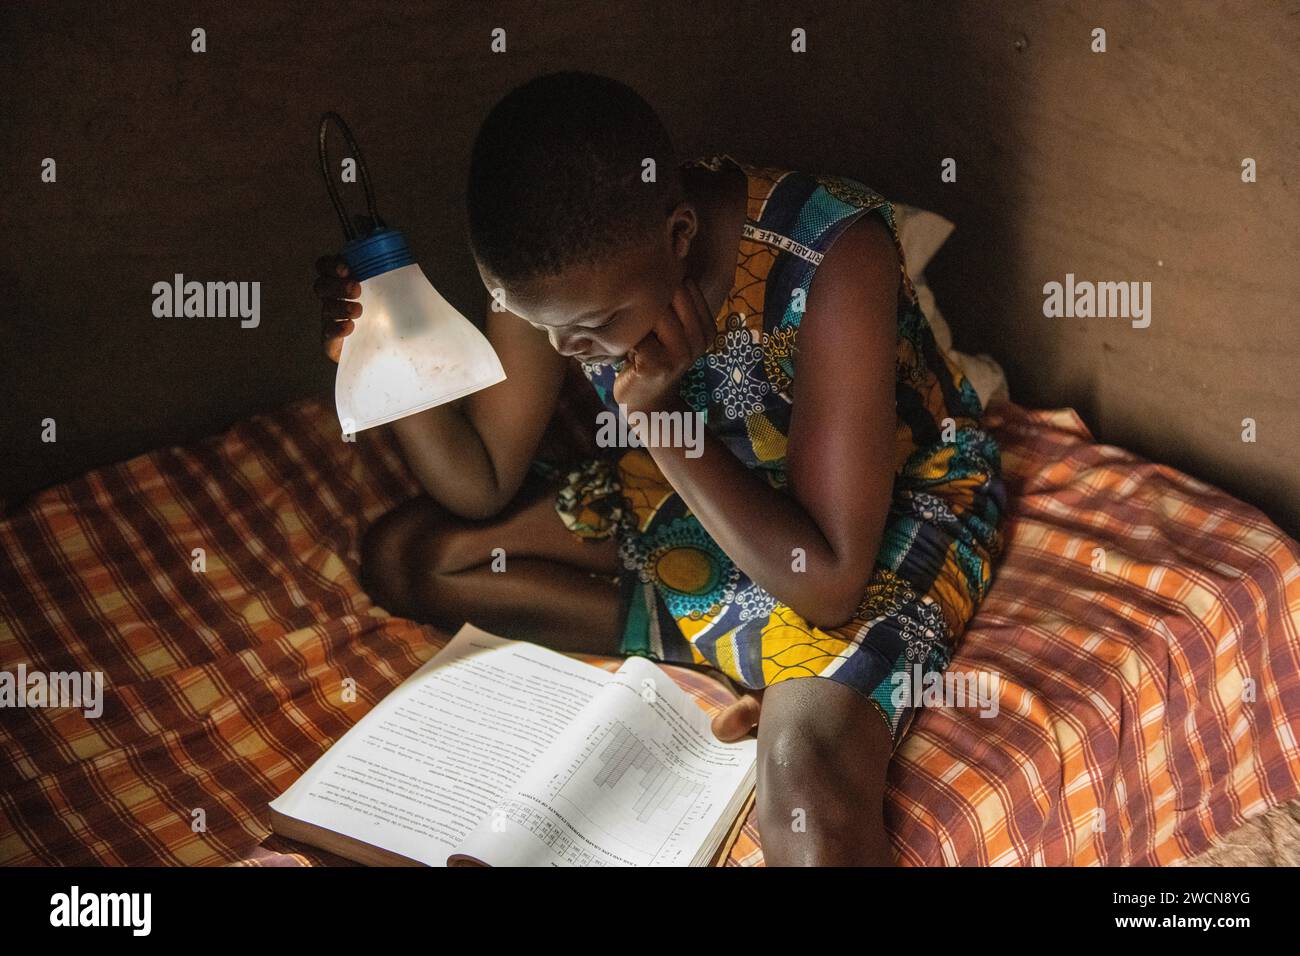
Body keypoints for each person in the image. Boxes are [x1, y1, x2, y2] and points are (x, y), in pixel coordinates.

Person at [313, 71, 1006, 865]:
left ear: (678, 237)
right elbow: (479, 482)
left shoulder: (833, 253)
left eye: (594, 326)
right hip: (695, 500)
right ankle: (746, 652)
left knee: (808, 803)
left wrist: (655, 418)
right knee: (412, 555)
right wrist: (382, 346)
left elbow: (828, 580)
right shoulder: (561, 278)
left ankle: (784, 673)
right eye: (537, 323)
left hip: (869, 521)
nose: (565, 353)